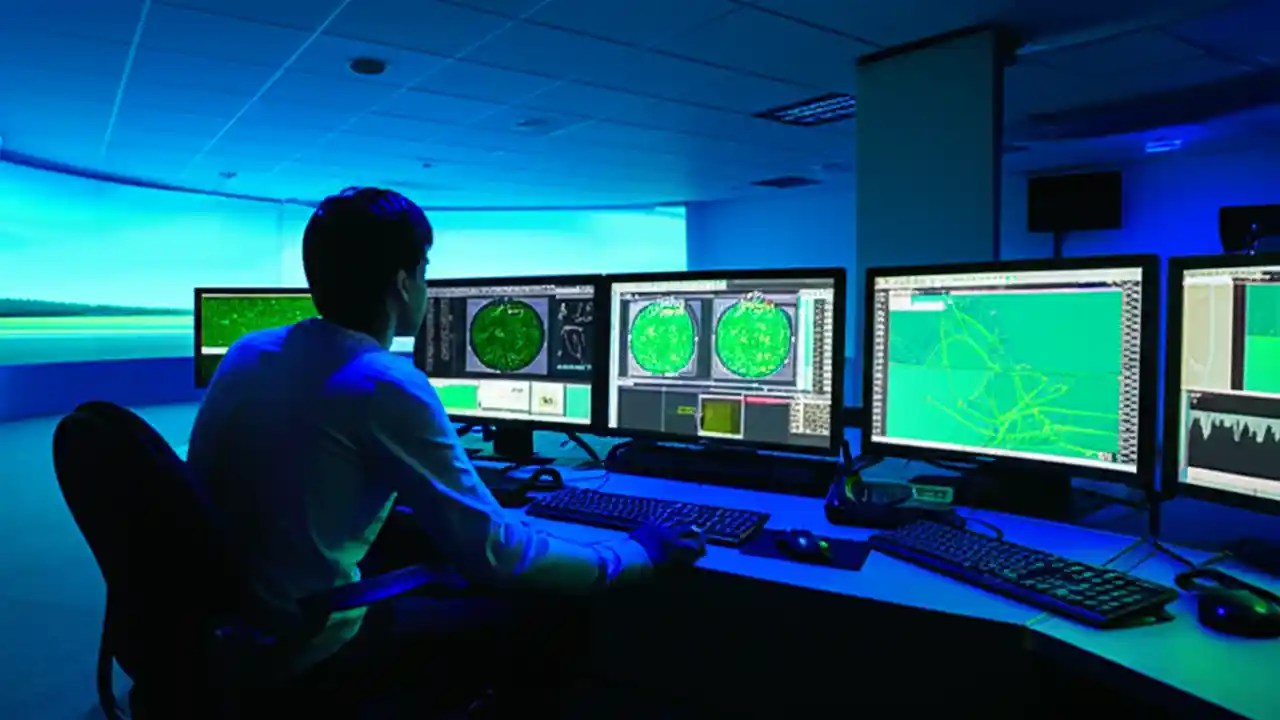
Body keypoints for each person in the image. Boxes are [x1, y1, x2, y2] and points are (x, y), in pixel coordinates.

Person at [186, 187, 706, 714]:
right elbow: (499, 555)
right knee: (550, 611)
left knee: (436, 563)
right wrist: (636, 555)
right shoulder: (379, 381)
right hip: (309, 643)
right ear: (403, 281)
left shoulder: (248, 351)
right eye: (426, 269)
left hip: (228, 630)